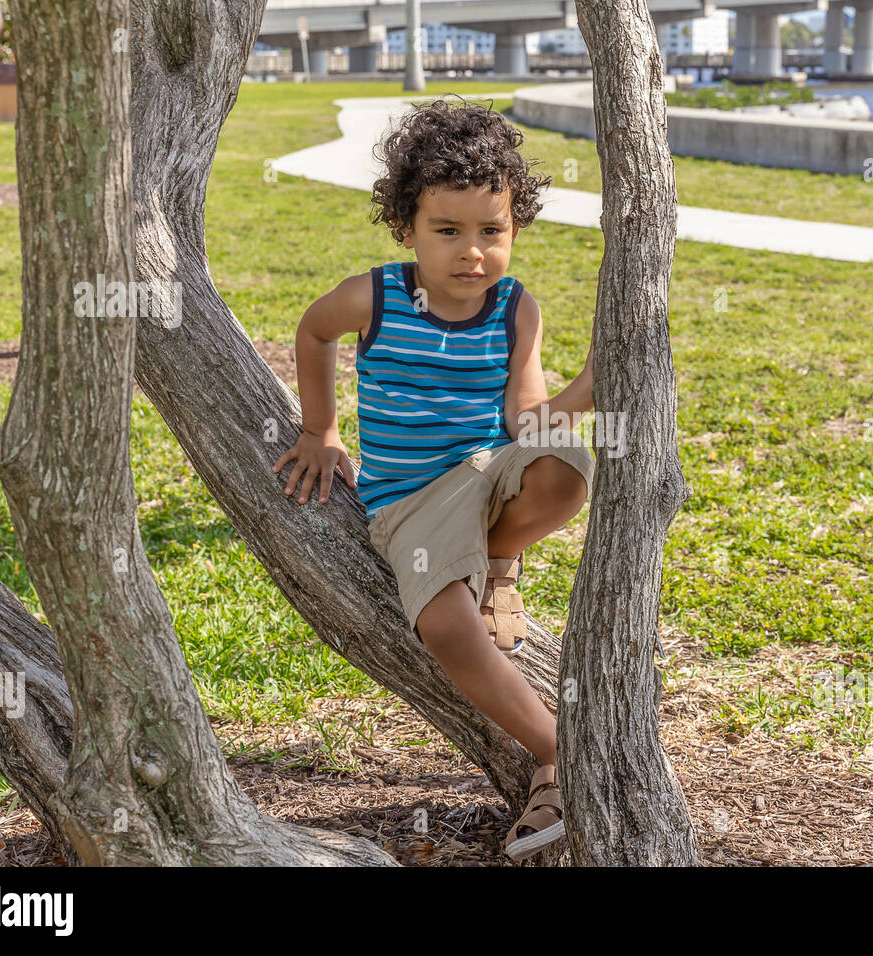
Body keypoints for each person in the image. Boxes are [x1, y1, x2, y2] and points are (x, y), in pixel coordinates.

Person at [272, 95, 595, 861]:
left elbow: (529, 423)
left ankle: (500, 564)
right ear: (405, 228)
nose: (471, 253)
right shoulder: (377, 297)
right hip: (411, 503)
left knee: (567, 467)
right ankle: (560, 752)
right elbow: (315, 329)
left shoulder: (517, 310)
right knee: (447, 627)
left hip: (487, 472)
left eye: (492, 232)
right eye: (447, 231)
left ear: (516, 231)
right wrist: (320, 429)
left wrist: (591, 386)